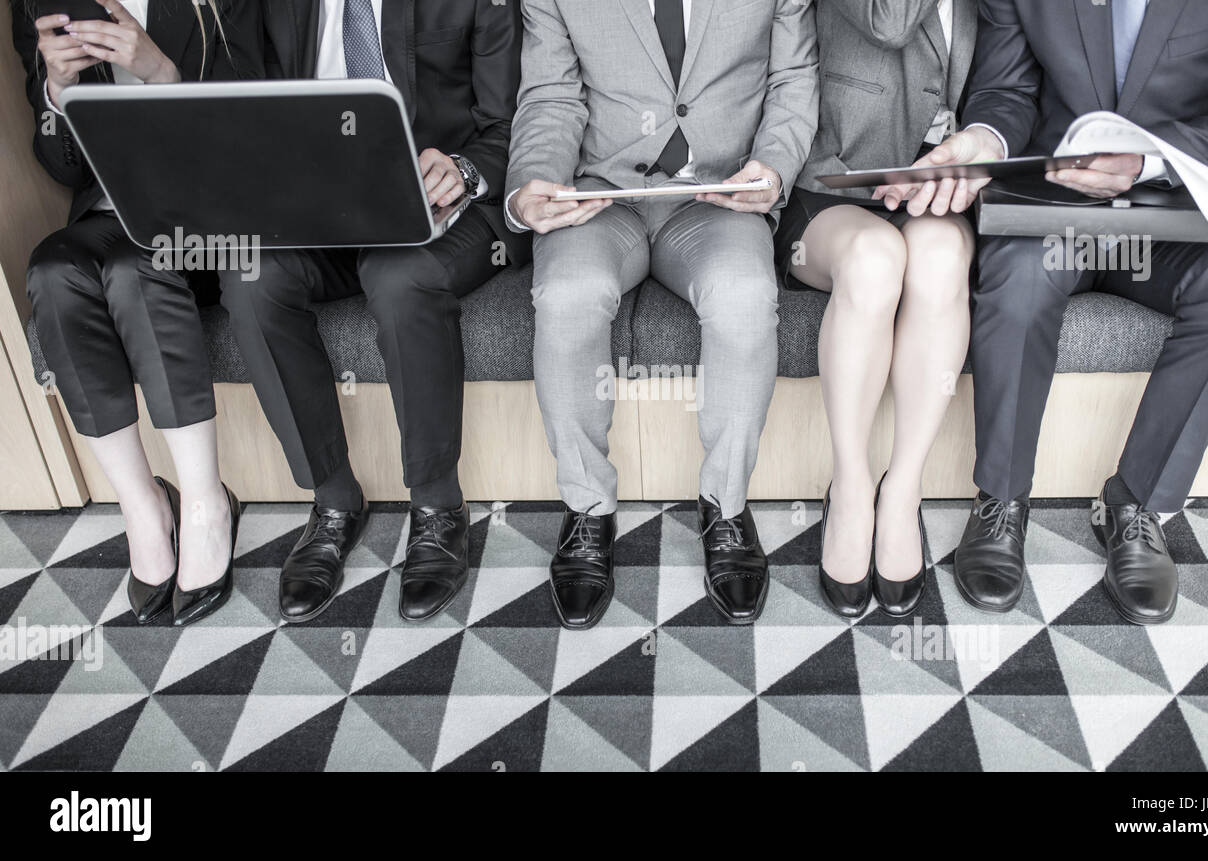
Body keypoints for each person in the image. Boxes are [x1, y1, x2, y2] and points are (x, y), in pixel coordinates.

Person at [876, 0, 1208, 625]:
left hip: (1177, 208)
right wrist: (981, 139)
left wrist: (1149, 160)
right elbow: (1005, 91)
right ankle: (1001, 500)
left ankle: (1136, 506)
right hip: (1050, 205)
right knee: (1018, 278)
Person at [505, 0, 818, 629]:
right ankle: (588, 510)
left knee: (743, 294)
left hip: (718, 199)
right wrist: (531, 183)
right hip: (600, 194)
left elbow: (792, 81)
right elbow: (550, 97)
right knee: (567, 294)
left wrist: (774, 170)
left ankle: (725, 508)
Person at [217, 0, 527, 625]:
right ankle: (333, 499)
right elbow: (249, 120)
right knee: (249, 275)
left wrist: (465, 171)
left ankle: (438, 506)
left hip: (448, 208)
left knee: (400, 274)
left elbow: (513, 121)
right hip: (324, 211)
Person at [14, 0, 262, 626]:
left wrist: (159, 72)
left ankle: (207, 501)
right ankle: (142, 506)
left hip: (210, 216)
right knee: (51, 270)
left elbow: (255, 128)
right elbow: (62, 165)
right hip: (108, 213)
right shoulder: (45, 7)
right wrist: (58, 87)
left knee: (136, 269)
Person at [774, 0, 976, 619]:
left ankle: (903, 489)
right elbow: (889, 19)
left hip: (942, 192)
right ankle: (852, 487)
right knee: (875, 257)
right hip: (833, 185)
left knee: (939, 259)